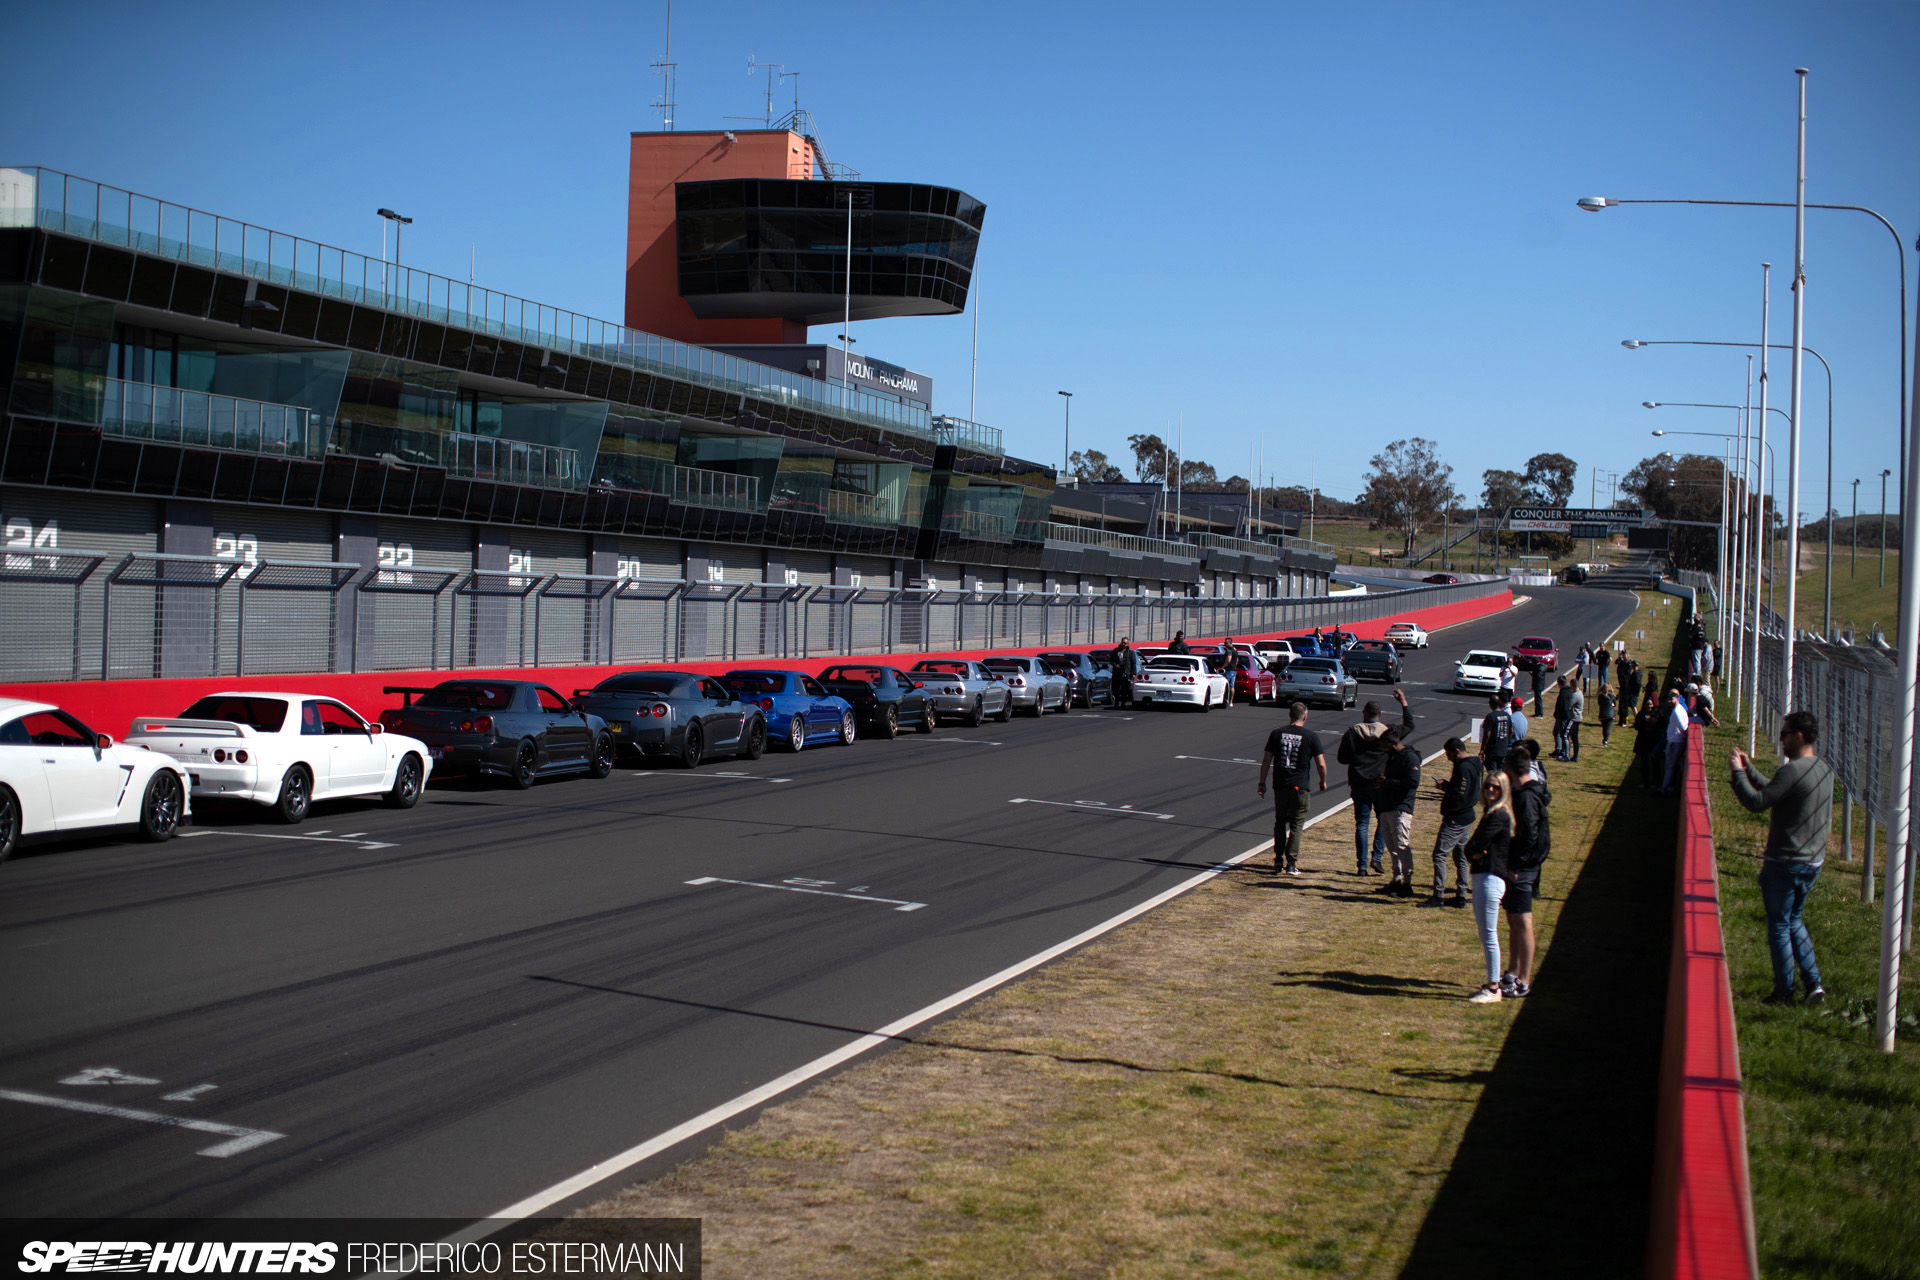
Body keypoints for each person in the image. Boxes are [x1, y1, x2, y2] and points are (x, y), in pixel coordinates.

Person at [1730, 710, 1834, 1006]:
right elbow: (1779, 792)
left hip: (1784, 862)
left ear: (1798, 737)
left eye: (1784, 734)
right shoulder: (1823, 769)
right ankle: (1813, 984)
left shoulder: (1792, 770)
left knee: (1778, 925)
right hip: (1812, 862)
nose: (1781, 740)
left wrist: (1737, 773)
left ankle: (1783, 993)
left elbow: (1757, 802)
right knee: (1794, 920)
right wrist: (1750, 770)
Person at [1338, 687, 1413, 876]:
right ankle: (1377, 856)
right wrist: (1403, 702)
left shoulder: (1352, 732)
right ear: (1380, 714)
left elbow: (1342, 758)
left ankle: (1361, 865)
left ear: (1364, 713)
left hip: (1359, 782)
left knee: (1362, 823)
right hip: (1381, 783)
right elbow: (1410, 725)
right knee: (1382, 821)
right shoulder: (1387, 732)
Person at [1501, 743, 1551, 998]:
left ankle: (1524, 979)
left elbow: (1529, 833)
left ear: (1509, 769)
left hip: (1523, 867)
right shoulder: (1534, 790)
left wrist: (1517, 865)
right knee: (1514, 919)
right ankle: (1513, 970)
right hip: (1524, 864)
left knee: (1522, 921)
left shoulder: (1526, 797)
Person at [1257, 701, 1328, 875]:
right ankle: (1291, 862)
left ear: (1290, 715)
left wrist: (1262, 782)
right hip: (1300, 786)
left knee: (1280, 821)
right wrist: (1323, 780)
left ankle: (1278, 859)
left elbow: (1266, 760)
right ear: (1305, 716)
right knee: (1296, 824)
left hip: (1280, 784)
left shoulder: (1277, 733)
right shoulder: (1311, 736)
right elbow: (1321, 763)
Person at [1465, 770, 1516, 1003]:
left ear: (1504, 789)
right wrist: (1473, 852)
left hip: (1490, 877)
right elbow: (1472, 848)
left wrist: (1474, 853)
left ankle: (1494, 987)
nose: (1490, 790)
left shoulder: (1497, 816)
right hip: (1486, 875)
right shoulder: (1493, 813)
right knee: (1487, 934)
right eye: (1488, 786)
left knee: (1489, 935)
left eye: (1495, 787)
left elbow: (1473, 845)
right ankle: (1492, 983)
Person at [1429, 738, 1481, 908]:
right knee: (1461, 855)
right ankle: (1461, 895)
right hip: (1466, 816)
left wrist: (1445, 787)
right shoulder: (1475, 763)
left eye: (1450, 755)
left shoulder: (1464, 768)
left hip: (1456, 818)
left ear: (1457, 751)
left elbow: (1460, 794)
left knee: (1439, 854)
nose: (1448, 758)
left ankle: (1438, 895)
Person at [1376, 722, 1423, 897]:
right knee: (1392, 846)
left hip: (1401, 807)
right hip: (1387, 805)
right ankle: (1396, 878)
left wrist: (1387, 782)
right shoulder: (1392, 757)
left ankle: (1407, 883)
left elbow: (1412, 782)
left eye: (1385, 745)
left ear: (1393, 743)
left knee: (1402, 844)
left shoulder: (1409, 758)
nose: (1383, 749)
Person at [1660, 683, 1691, 794]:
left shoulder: (1677, 711)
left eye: (1671, 699)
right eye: (1668, 699)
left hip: (1675, 741)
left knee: (1670, 765)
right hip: (1677, 741)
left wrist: (1684, 737)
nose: (1669, 701)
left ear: (1677, 698)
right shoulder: (1680, 708)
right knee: (1677, 765)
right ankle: (1670, 786)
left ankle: (1664, 788)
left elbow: (1683, 727)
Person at [1633, 690, 1664, 789]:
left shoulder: (1658, 713)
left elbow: (1663, 725)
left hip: (1655, 741)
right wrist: (1644, 720)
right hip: (1643, 742)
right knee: (1644, 764)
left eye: (1650, 705)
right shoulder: (1641, 714)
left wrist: (1654, 720)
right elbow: (1636, 726)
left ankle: (1658, 783)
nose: (1649, 706)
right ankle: (1646, 783)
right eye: (1647, 705)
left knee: (1656, 763)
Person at [1479, 693, 1517, 768]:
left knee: (1492, 771)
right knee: (1500, 771)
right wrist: (1506, 740)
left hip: (1492, 750)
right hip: (1503, 749)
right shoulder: (1507, 715)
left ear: (1490, 704)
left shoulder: (1490, 717)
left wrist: (1483, 748)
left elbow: (1487, 734)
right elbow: (1511, 731)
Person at [1552, 675, 1584, 763]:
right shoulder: (1580, 693)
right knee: (1574, 738)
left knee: (1565, 735)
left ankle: (1566, 755)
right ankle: (1575, 756)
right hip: (1577, 718)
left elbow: (1568, 706)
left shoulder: (1574, 695)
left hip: (1573, 718)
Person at [1110, 638, 1139, 709]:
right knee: (1115, 688)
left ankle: (1123, 702)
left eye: (1125, 643)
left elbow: (1133, 663)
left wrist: (1133, 673)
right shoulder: (1115, 651)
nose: (1123, 644)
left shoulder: (1131, 652)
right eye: (1123, 643)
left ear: (1128, 644)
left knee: (1125, 689)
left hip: (1126, 673)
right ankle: (1116, 700)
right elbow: (1111, 660)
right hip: (1117, 673)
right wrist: (1115, 664)